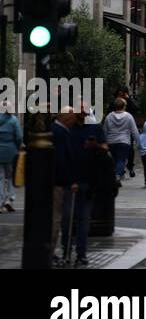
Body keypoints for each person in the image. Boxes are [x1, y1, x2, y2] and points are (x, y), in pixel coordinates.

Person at [53, 107, 92, 266]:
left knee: (79, 219)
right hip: (69, 183)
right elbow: (62, 159)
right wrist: (71, 181)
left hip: (81, 181)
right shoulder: (61, 132)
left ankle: (75, 253)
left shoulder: (91, 128)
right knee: (64, 219)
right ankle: (65, 252)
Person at [102, 97, 140, 184]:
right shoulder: (129, 116)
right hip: (124, 141)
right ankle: (118, 175)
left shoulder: (109, 116)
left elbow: (105, 130)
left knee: (114, 160)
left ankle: (115, 174)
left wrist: (104, 141)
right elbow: (134, 131)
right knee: (121, 159)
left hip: (111, 141)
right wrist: (139, 142)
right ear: (124, 106)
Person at [0, 99, 21, 212]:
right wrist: (17, 147)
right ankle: (10, 198)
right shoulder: (13, 120)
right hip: (10, 151)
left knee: (0, 177)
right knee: (11, 177)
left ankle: (0, 201)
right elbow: (18, 137)